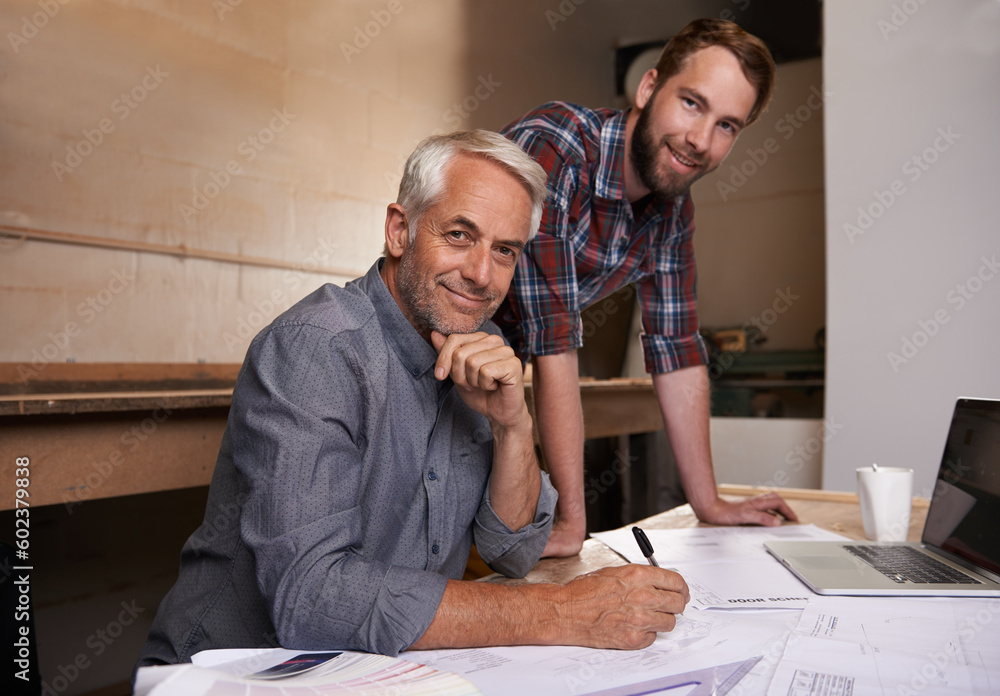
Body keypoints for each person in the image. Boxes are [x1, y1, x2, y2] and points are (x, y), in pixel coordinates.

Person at [136, 131, 689, 670]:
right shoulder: (316, 349)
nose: (480, 274)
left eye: (504, 250)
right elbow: (312, 598)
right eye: (458, 235)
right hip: (234, 673)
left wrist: (513, 426)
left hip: (376, 670)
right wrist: (564, 610)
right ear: (400, 231)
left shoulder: (482, 345)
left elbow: (514, 551)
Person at [496, 18, 799, 557]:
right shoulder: (557, 150)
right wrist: (570, 519)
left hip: (481, 381)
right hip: (404, 369)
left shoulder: (673, 213)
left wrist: (709, 503)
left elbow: (678, 353)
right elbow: (553, 344)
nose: (700, 141)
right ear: (648, 88)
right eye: (692, 103)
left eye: (728, 125)